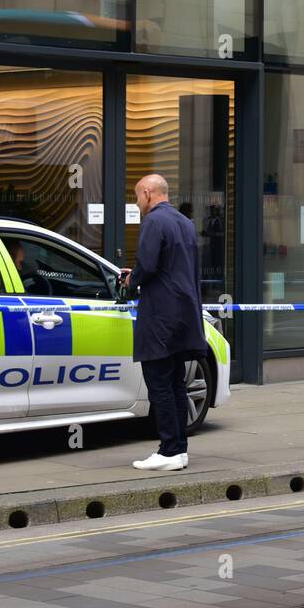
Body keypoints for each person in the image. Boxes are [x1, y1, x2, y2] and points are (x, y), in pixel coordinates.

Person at [123, 174, 206, 472]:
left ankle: (168, 450)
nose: (136, 203)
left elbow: (147, 265)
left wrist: (131, 279)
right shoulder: (184, 222)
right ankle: (180, 450)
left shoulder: (154, 222)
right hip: (183, 314)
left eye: (136, 196)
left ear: (147, 193)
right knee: (176, 385)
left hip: (159, 316)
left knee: (159, 384)